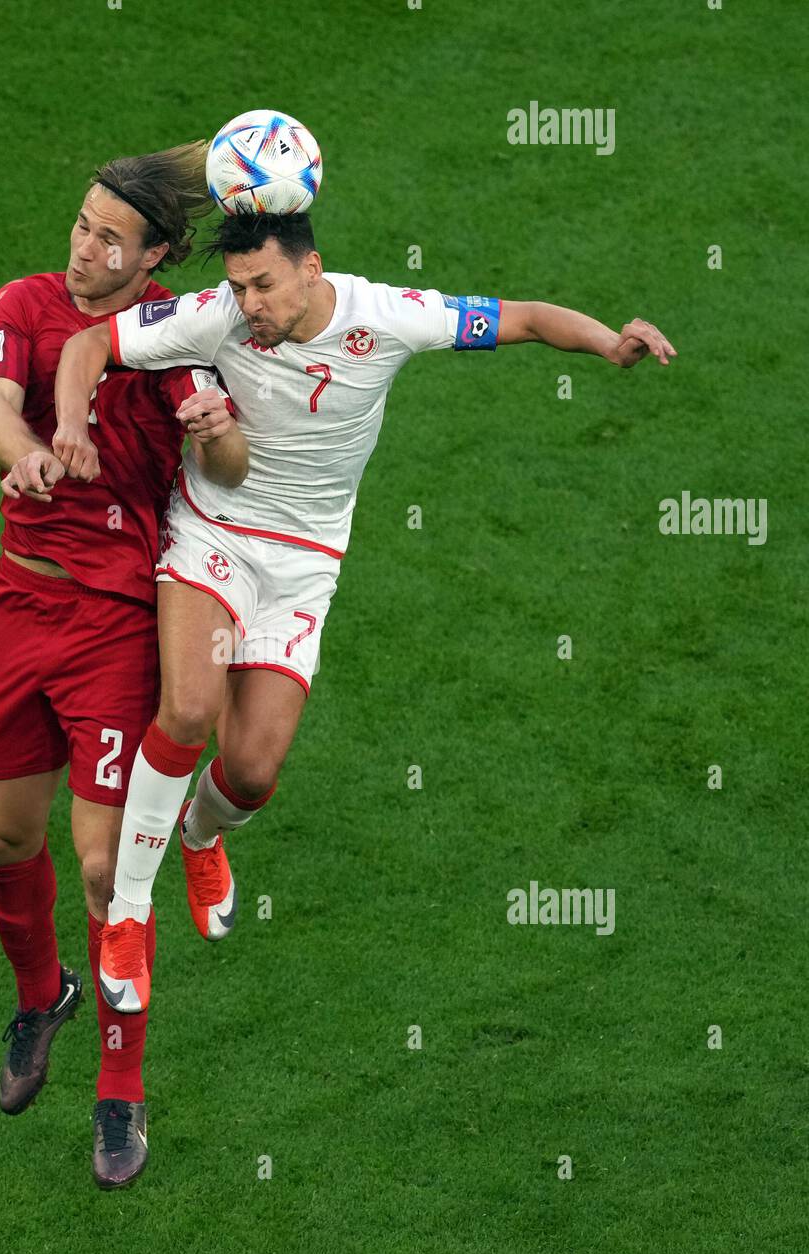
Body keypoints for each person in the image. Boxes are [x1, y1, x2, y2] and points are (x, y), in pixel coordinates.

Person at [48, 210, 677, 1013]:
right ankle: (127, 920)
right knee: (188, 708)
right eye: (239, 287)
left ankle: (200, 835)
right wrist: (72, 422)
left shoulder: (387, 315)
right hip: (214, 536)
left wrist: (605, 342)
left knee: (249, 772)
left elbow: (521, 318)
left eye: (264, 285)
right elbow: (87, 345)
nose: (249, 305)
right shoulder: (216, 314)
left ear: (312, 271)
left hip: (305, 567)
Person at [0, 143, 247, 1188]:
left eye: (109, 240)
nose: (85, 251)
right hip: (18, 601)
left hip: (117, 628)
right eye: (81, 226)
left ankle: (119, 1092)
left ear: (156, 257)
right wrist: (25, 452)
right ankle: (40, 998)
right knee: (3, 834)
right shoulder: (27, 302)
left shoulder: (178, 332)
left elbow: (229, 465)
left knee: (101, 866)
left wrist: (215, 432)